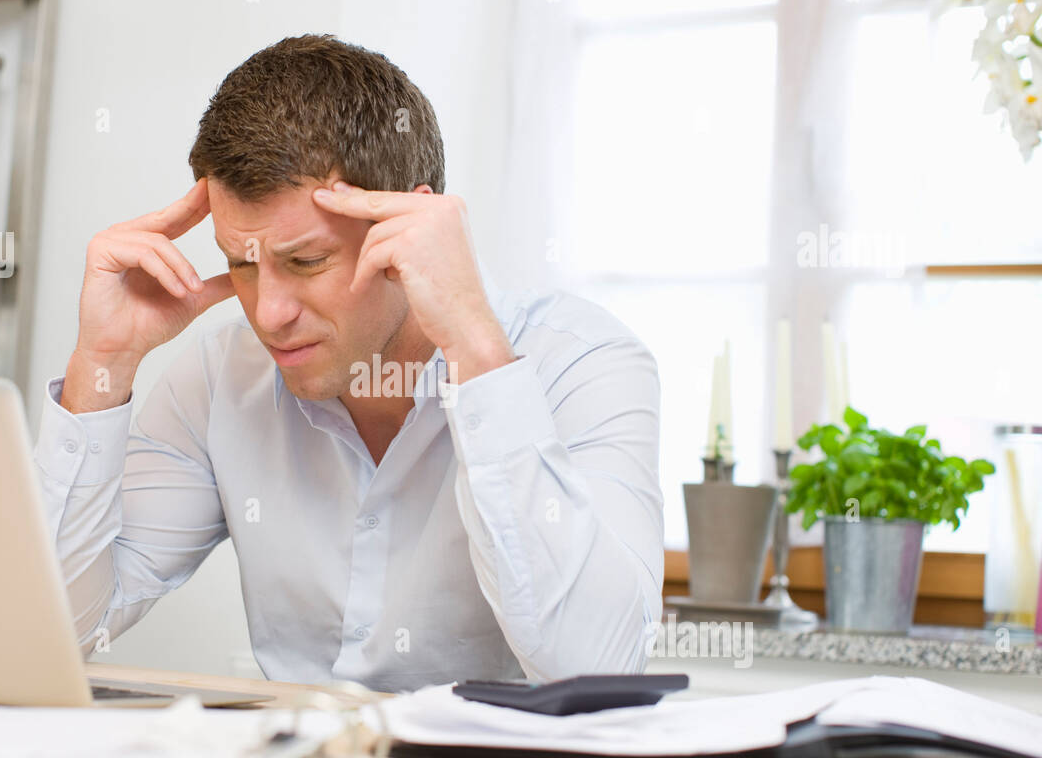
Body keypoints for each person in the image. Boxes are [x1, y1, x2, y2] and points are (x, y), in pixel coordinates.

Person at [34, 34, 663, 693]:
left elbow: (598, 673)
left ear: (413, 232)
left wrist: (478, 354)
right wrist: (102, 364)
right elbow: (61, 628)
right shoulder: (222, 377)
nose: (267, 312)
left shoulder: (583, 363)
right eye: (240, 265)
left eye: (306, 262)